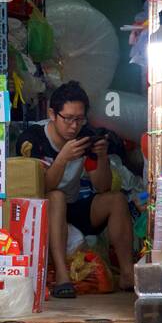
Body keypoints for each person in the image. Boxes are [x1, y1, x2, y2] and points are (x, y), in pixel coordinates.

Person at [17, 81, 134, 298]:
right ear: (53, 114)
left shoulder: (85, 135)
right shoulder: (33, 139)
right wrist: (62, 158)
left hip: (73, 207)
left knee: (116, 200)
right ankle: (63, 276)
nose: (74, 126)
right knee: (56, 195)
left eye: (79, 119)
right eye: (68, 119)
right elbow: (42, 187)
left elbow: (102, 186)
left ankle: (127, 274)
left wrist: (100, 157)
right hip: (43, 211)